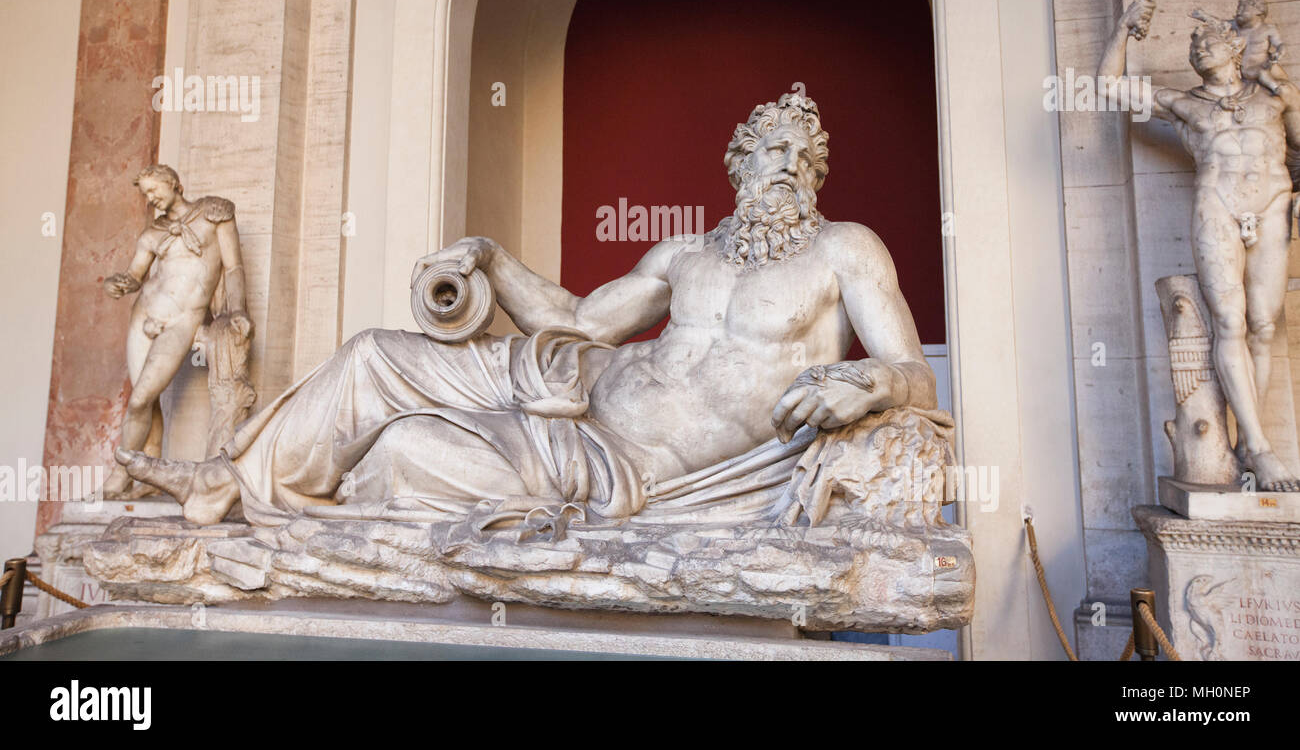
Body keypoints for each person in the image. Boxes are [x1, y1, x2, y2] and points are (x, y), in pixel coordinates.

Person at [117, 93, 942, 523]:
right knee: (372, 350)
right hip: (569, 378)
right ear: (739, 161)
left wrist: (873, 387)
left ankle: (252, 490)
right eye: (773, 148)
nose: (791, 164)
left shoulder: (845, 249)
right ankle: (227, 480)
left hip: (621, 462)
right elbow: (579, 318)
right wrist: (488, 258)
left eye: (807, 154)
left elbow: (915, 375)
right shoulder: (687, 251)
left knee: (403, 450)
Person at [1102, 0, 1300, 491]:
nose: (1196, 50)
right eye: (1192, 46)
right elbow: (1108, 87)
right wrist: (1124, 28)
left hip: (1272, 205)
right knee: (1229, 322)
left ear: (1233, 46)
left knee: (1261, 326)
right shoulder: (1185, 104)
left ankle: (1242, 447)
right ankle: (1259, 447)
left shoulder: (1274, 96)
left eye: (1204, 41)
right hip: (1218, 208)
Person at [103, 165, 251, 497]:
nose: (151, 199)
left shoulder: (215, 213)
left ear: (175, 185)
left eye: (155, 191)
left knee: (140, 398)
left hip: (183, 320)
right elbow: (136, 275)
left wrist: (237, 309)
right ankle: (147, 477)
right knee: (144, 397)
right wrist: (119, 283)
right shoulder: (154, 232)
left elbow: (234, 267)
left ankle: (120, 474)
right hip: (144, 315)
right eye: (146, 194)